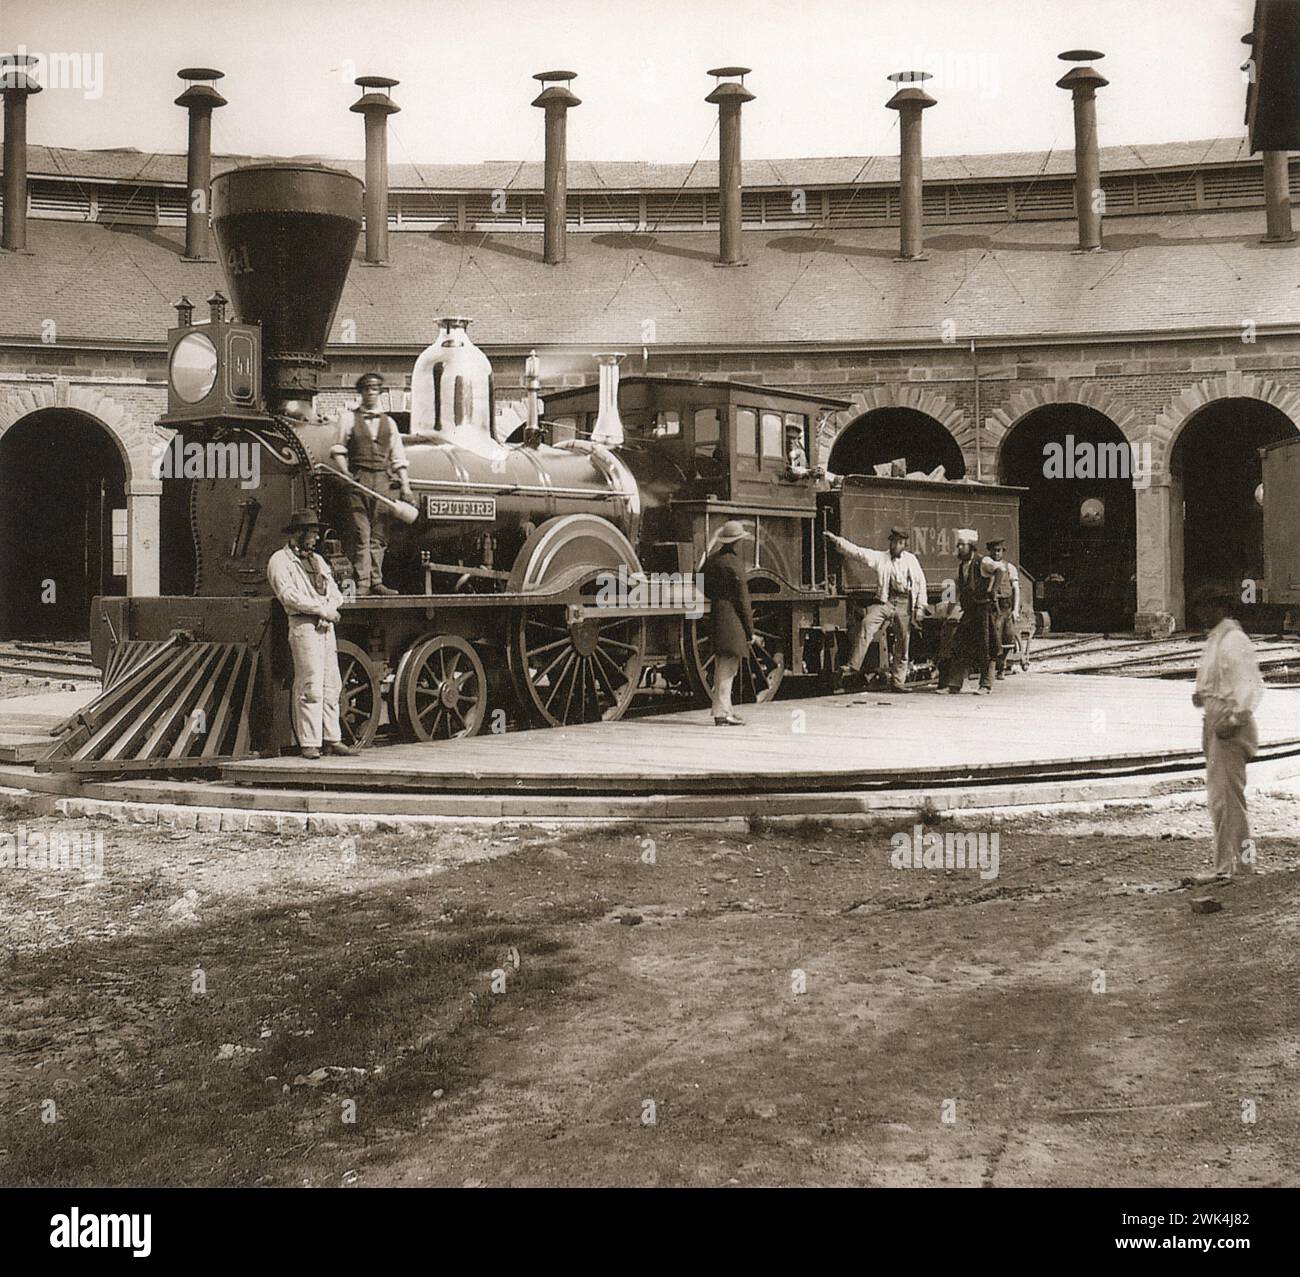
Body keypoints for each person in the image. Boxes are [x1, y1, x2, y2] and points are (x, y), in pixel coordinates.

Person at [266, 509, 360, 761]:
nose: (315, 538)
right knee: (310, 684)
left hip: (325, 625)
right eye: (312, 533)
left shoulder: (318, 561)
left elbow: (334, 590)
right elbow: (289, 596)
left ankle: (332, 738)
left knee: (332, 683)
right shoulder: (279, 561)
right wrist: (322, 610)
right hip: (304, 626)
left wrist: (329, 608)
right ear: (298, 533)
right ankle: (309, 742)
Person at [1192, 591, 1264, 882]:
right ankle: (1231, 865)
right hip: (1216, 720)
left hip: (1229, 725)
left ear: (1221, 606)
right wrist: (1204, 695)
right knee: (1222, 800)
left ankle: (1239, 866)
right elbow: (1218, 680)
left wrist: (1233, 719)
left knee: (1229, 800)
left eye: (1207, 605)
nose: (1201, 613)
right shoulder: (1217, 639)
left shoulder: (1234, 641)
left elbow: (1250, 687)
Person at [329, 373, 414, 596]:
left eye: (375, 389)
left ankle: (377, 581)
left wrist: (405, 487)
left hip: (383, 482)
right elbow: (338, 449)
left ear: (379, 392)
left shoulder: (390, 423)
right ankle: (363, 583)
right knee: (361, 534)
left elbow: (398, 457)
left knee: (379, 535)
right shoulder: (348, 419)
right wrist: (346, 472)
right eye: (367, 389)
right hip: (359, 481)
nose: (370, 393)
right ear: (361, 393)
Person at [824, 526, 927, 692]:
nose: (897, 546)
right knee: (867, 623)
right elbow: (858, 553)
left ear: (904, 544)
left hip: (904, 603)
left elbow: (921, 583)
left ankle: (898, 682)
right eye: (895, 543)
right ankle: (853, 666)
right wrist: (837, 540)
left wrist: (920, 607)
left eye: (901, 543)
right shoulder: (882, 558)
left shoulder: (911, 560)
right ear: (891, 543)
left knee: (903, 642)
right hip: (888, 602)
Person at [939, 529, 1007, 695]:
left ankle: (986, 685)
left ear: (971, 547)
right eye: (959, 545)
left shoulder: (983, 562)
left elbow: (1000, 570)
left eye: (962, 545)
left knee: (986, 647)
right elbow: (956, 590)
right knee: (959, 646)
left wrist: (993, 590)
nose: (959, 548)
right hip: (969, 612)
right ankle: (954, 685)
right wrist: (948, 612)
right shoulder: (962, 566)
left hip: (983, 610)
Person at [702, 520, 753, 726]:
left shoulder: (713, 560)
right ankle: (722, 713)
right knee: (728, 668)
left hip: (717, 615)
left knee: (723, 665)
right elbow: (743, 599)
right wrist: (749, 629)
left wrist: (716, 597)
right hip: (732, 620)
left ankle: (725, 709)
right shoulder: (734, 564)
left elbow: (700, 584)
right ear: (738, 542)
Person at [987, 538, 1021, 679]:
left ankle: (1003, 664)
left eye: (999, 550)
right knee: (995, 638)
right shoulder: (987, 567)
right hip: (992, 607)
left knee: (1008, 636)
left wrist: (1016, 609)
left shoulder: (1009, 567)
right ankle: (996, 668)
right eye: (994, 551)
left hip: (1006, 606)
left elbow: (1016, 589)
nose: (996, 553)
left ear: (1003, 551)